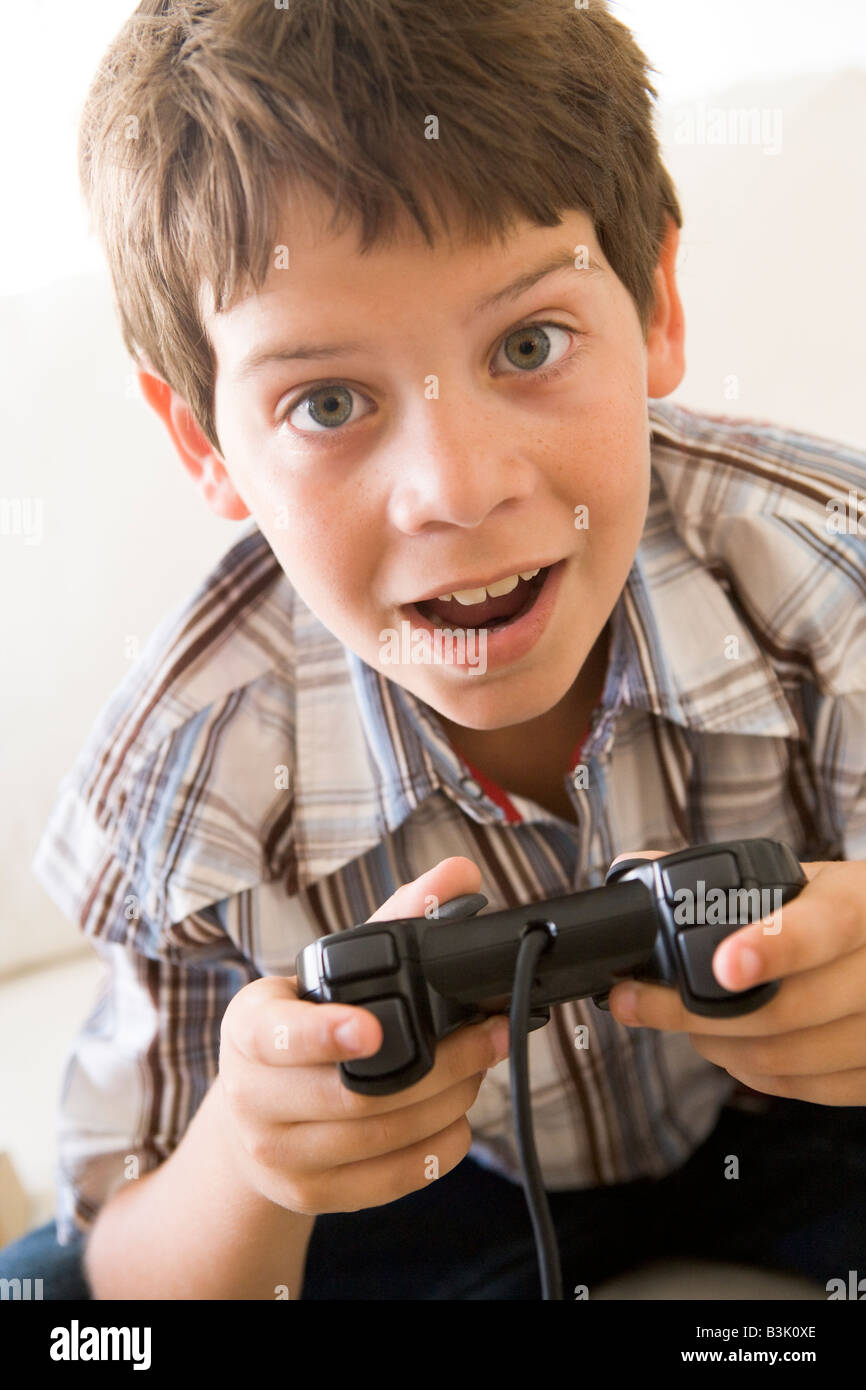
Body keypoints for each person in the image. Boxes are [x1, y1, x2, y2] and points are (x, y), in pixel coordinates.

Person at [2, 0, 865, 1301]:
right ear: (201, 442)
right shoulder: (181, 778)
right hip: (420, 1186)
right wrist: (250, 1148)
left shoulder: (828, 569)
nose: (454, 489)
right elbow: (121, 1267)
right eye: (328, 402)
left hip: (794, 1124)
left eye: (528, 343)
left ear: (656, 303)